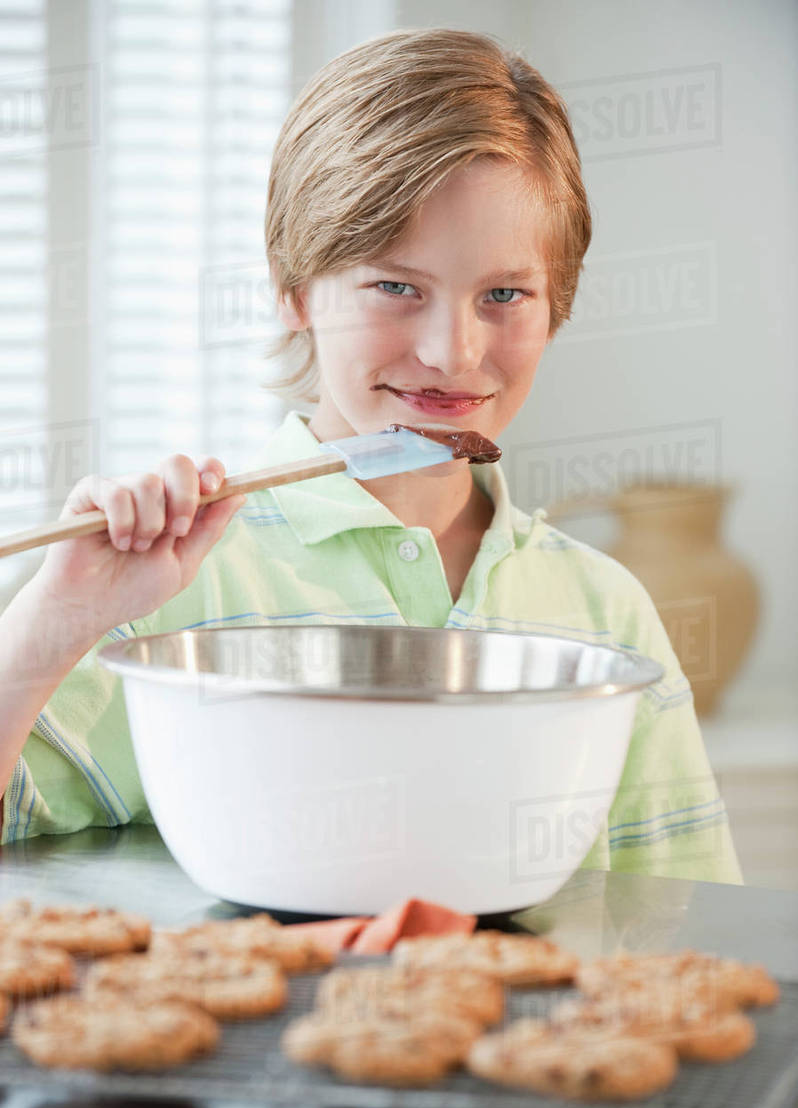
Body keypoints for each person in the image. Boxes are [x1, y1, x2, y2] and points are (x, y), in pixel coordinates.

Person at [0, 27, 741, 884]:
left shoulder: (605, 612)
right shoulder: (163, 588)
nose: (453, 353)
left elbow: (689, 918)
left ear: (558, 302)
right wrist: (54, 620)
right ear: (292, 287)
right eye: (396, 287)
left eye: (504, 294)